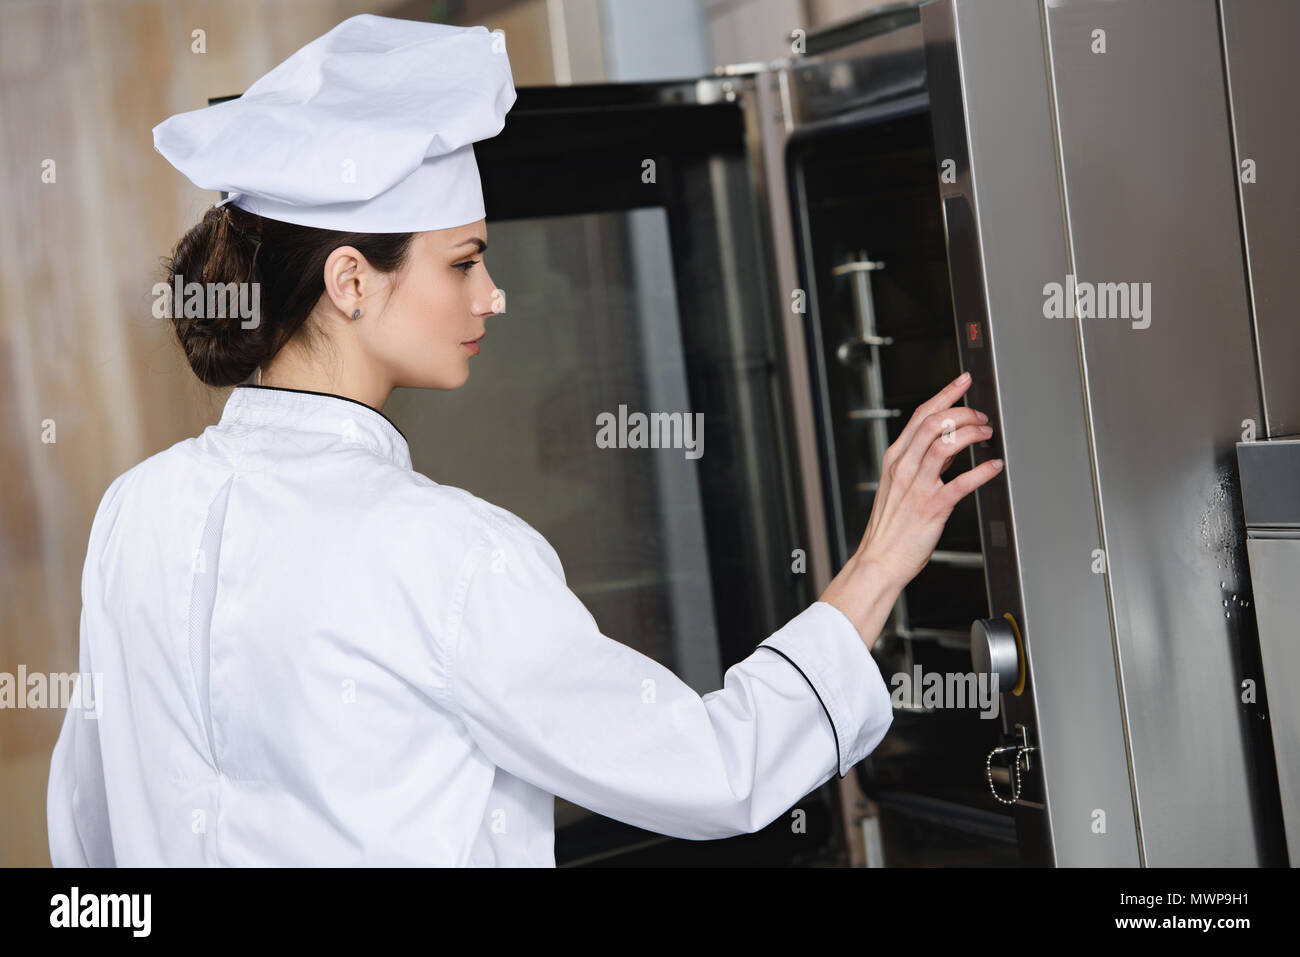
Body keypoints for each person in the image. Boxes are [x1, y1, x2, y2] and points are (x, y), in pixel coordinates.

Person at [46, 14, 1002, 866]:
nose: (491, 295)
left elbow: (86, 832)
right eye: (463, 261)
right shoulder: (446, 555)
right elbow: (716, 769)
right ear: (349, 281)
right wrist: (880, 562)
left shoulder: (135, 510)